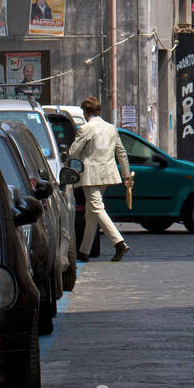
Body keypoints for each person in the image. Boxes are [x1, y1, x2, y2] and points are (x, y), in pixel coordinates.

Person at [69, 96, 135, 263]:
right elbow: (121, 152)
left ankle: (118, 242)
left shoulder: (86, 129)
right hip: (108, 174)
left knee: (96, 209)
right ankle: (84, 251)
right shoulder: (111, 128)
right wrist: (126, 175)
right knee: (91, 213)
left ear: (86, 112)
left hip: (91, 175)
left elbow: (72, 153)